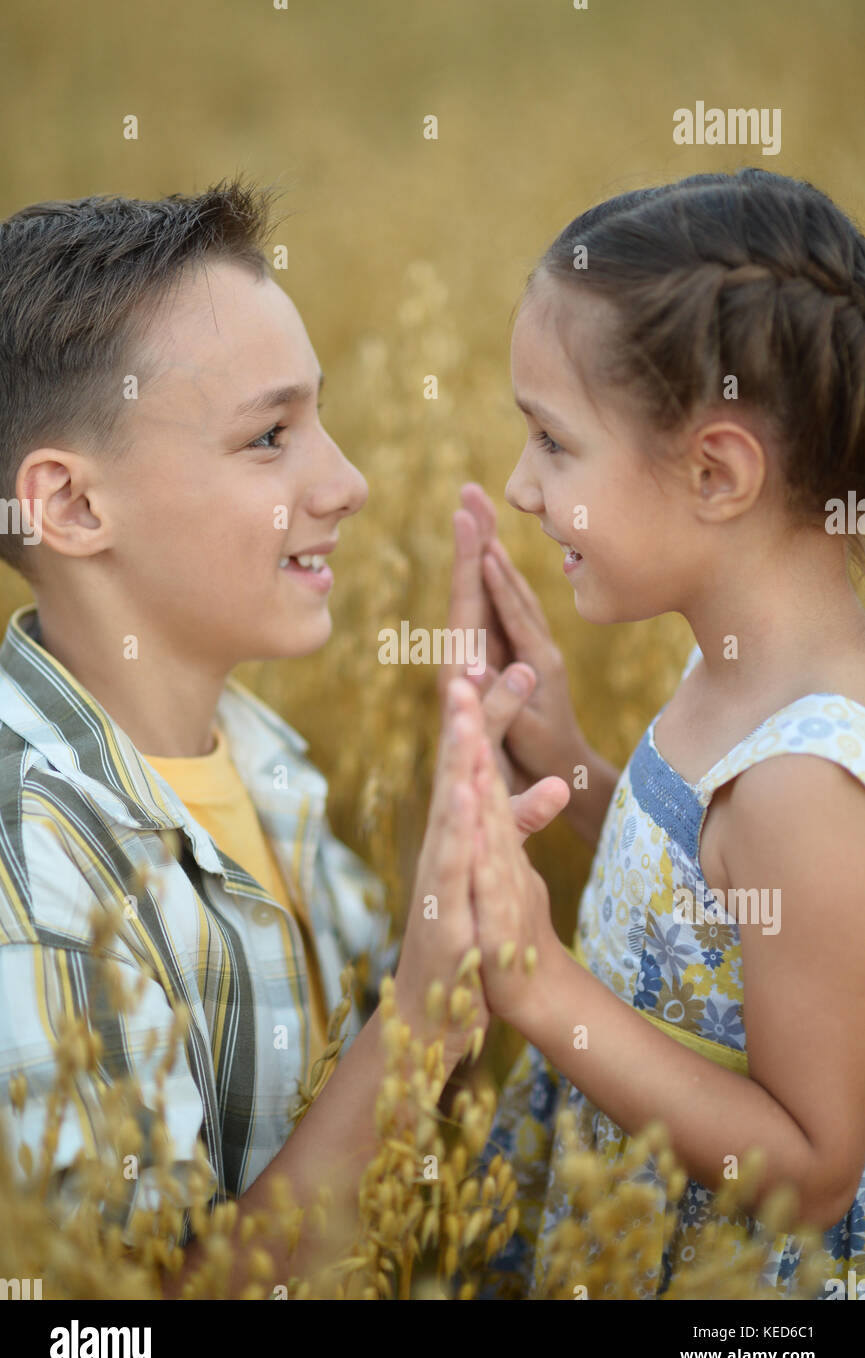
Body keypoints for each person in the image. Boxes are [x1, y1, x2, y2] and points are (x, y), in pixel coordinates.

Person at [0, 178, 568, 1298]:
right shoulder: (35, 892)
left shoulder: (257, 757)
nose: (346, 482)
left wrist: (480, 839)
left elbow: (401, 1145)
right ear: (69, 508)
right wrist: (418, 1013)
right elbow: (117, 1329)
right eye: (269, 436)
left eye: (319, 420)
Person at [452, 168, 865, 1299]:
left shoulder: (803, 784)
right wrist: (573, 767)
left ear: (715, 472)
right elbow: (706, 914)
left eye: (552, 441)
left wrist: (537, 984)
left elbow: (816, 1169)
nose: (518, 488)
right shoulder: (735, 665)